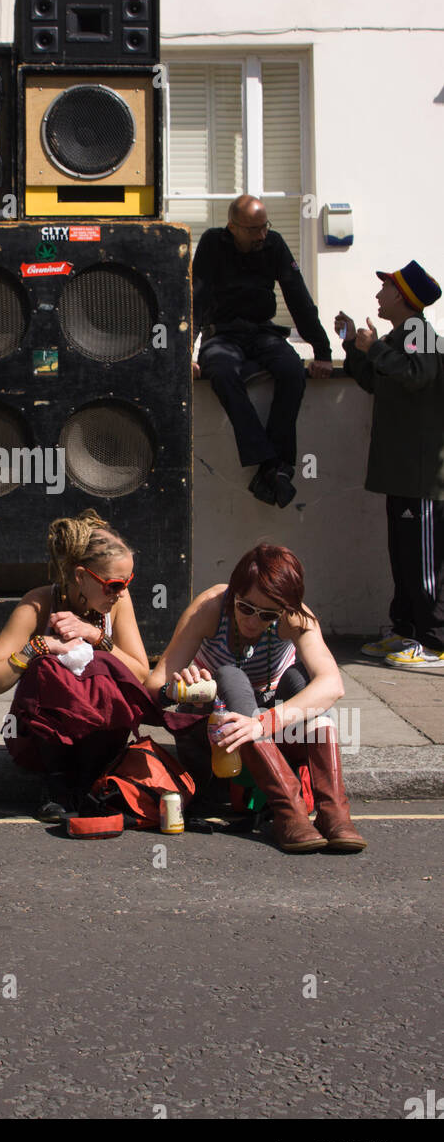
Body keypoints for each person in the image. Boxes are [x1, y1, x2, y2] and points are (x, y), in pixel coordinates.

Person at [147, 543, 366, 853]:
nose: (252, 621)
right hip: (217, 723)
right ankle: (289, 812)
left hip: (267, 726)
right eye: (245, 607)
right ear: (234, 593)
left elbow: (332, 684)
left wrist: (263, 722)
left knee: (301, 679)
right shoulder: (211, 608)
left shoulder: (296, 617)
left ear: (284, 610)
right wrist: (176, 687)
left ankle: (334, 814)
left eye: (267, 615)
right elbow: (153, 683)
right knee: (230, 675)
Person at [0, 510, 151, 821]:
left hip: (101, 743)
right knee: (46, 667)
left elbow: (139, 675)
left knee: (105, 668)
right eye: (113, 584)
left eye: (127, 582)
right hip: (43, 747)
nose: (121, 592)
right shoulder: (39, 603)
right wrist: (39, 647)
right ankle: (57, 783)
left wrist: (97, 637)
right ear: (81, 576)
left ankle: (92, 780)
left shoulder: (120, 604)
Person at [337, 260, 444, 670]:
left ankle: (434, 641)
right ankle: (405, 631)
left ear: (401, 296)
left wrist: (374, 347)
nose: (379, 295)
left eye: (385, 288)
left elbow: (419, 375)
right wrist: (352, 344)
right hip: (399, 470)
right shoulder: (401, 335)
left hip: (421, 475)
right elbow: (374, 380)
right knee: (403, 556)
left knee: (424, 561)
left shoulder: (419, 333)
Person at [192, 195, 332, 508]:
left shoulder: (274, 245)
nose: (261, 235)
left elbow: (297, 296)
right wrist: (186, 352)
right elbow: (196, 298)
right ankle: (268, 461)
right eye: (254, 229)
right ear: (233, 227)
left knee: (292, 371)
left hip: (262, 331)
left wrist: (321, 350)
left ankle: (276, 465)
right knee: (222, 373)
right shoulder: (213, 243)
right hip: (223, 333)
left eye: (264, 227)